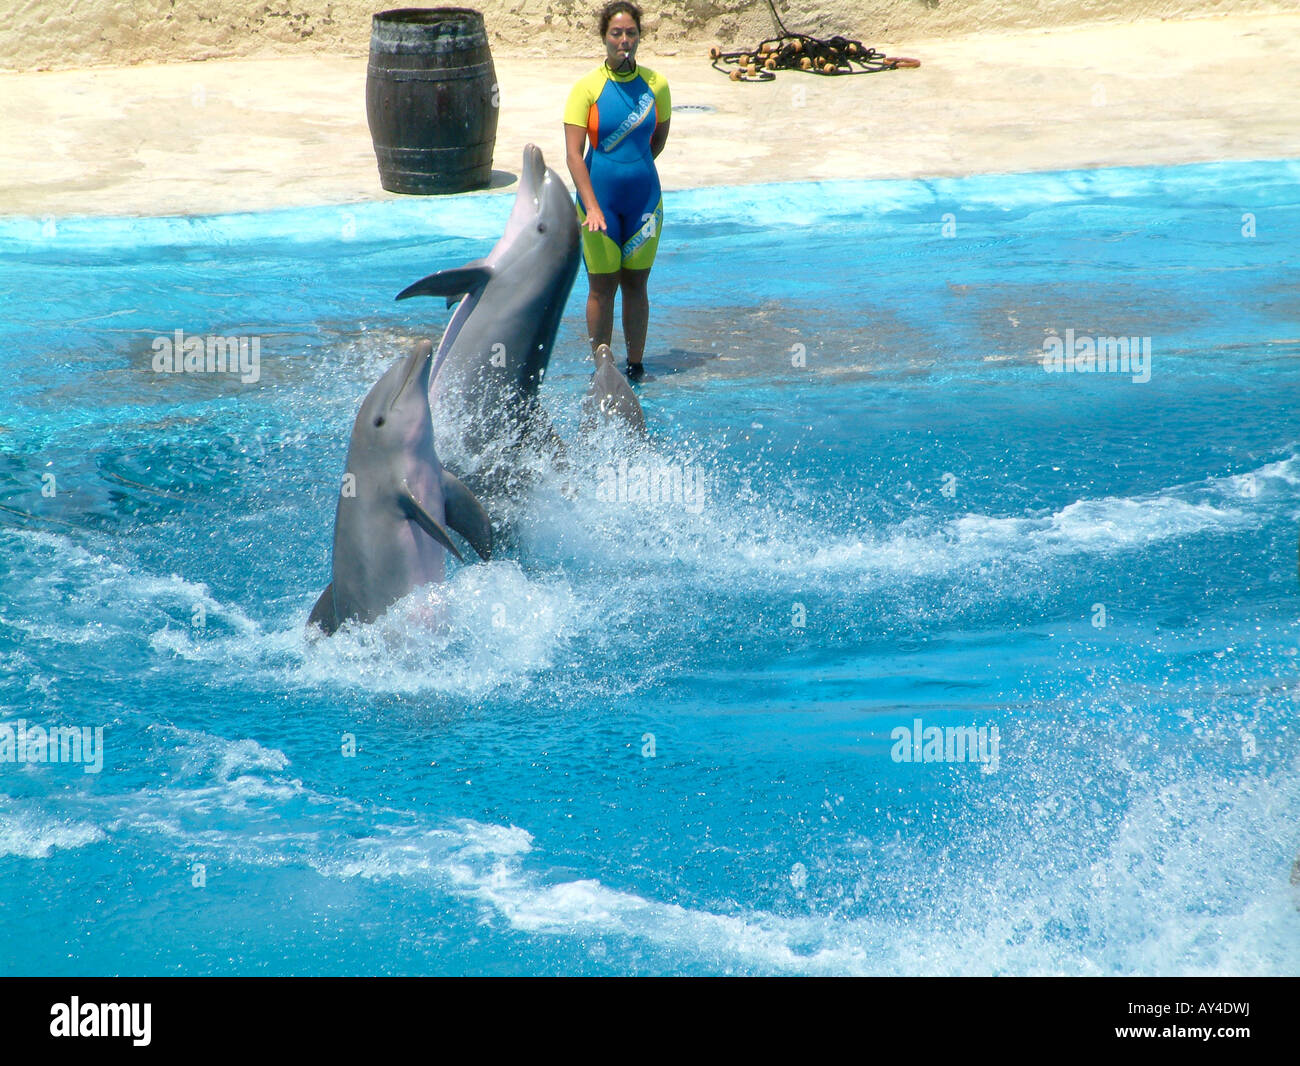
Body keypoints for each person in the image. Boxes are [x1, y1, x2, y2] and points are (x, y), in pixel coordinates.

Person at [563, 2, 670, 380]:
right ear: (604, 37)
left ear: (639, 36)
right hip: (599, 202)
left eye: (631, 34)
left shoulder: (656, 85)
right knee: (602, 286)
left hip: (644, 200)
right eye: (616, 34)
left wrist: (634, 169)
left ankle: (636, 367)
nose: (624, 41)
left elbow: (656, 141)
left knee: (637, 284)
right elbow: (574, 157)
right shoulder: (587, 88)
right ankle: (602, 370)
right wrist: (592, 207)